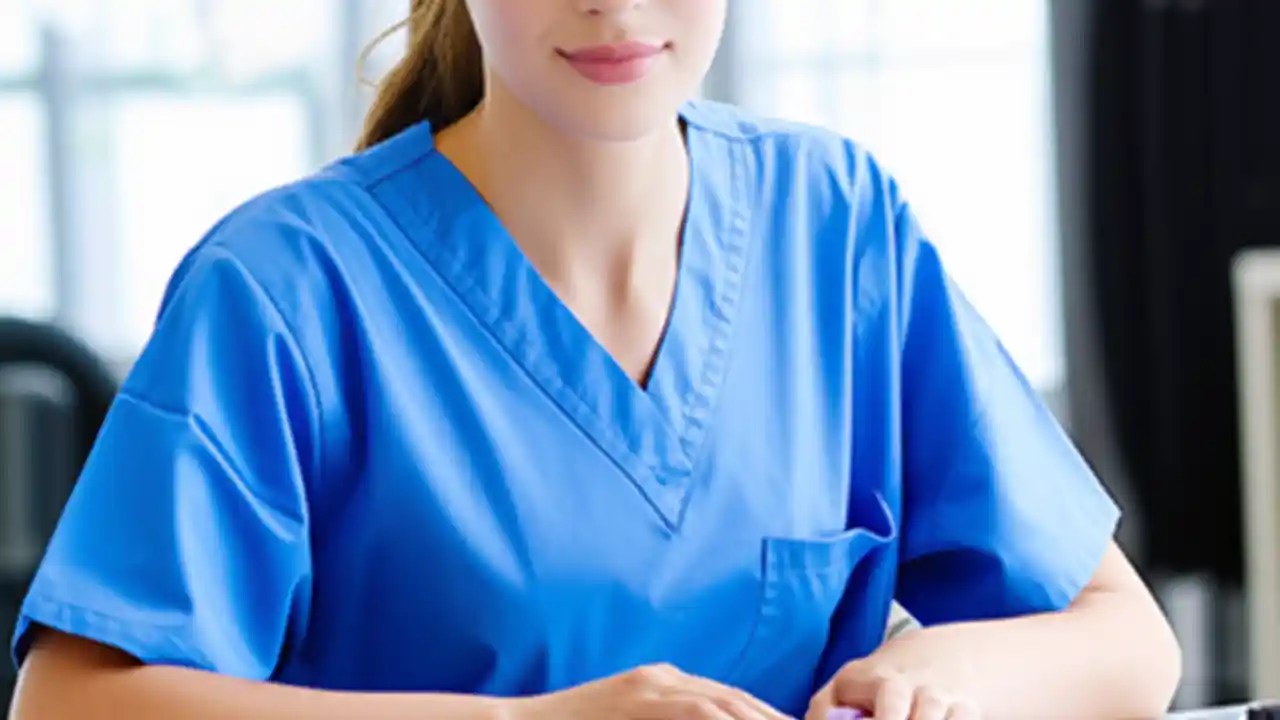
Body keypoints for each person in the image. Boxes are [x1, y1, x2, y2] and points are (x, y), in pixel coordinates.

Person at [9, 1, 1182, 718]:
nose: (614, 0)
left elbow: (1126, 644)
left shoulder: (835, 223)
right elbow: (73, 708)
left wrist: (950, 684)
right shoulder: (283, 288)